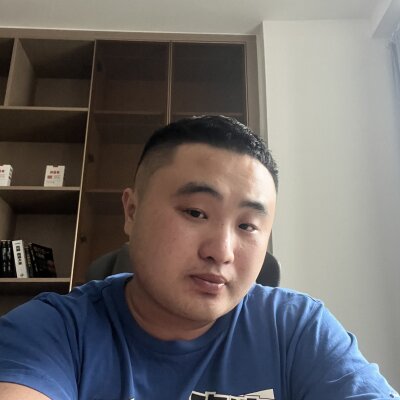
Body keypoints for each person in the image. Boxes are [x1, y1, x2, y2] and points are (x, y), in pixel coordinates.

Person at [0, 116, 398, 400]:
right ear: (132, 212)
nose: (221, 251)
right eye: (195, 212)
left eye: (248, 225)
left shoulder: (297, 329)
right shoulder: (54, 331)